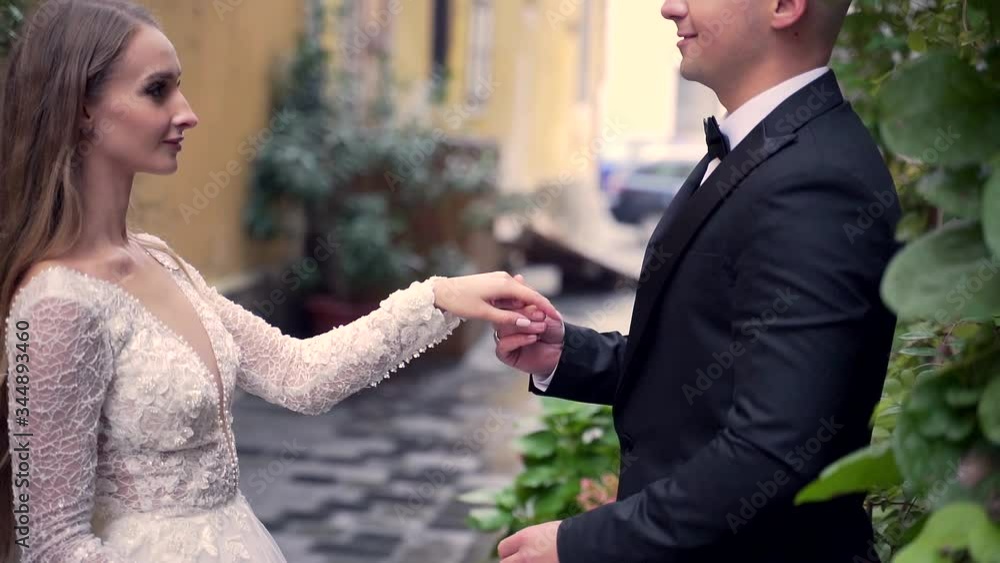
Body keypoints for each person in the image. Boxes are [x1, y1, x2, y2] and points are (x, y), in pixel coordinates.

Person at [0, 1, 558, 561]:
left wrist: (439, 296)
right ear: (82, 110)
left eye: (180, 87)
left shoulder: (158, 258)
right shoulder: (55, 302)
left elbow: (299, 376)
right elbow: (51, 544)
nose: (187, 112)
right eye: (157, 90)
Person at [493, 0, 901, 561]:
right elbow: (710, 375)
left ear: (784, 7)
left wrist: (580, 543)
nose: (669, 7)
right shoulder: (767, 147)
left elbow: (773, 450)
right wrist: (566, 355)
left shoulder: (815, 184)